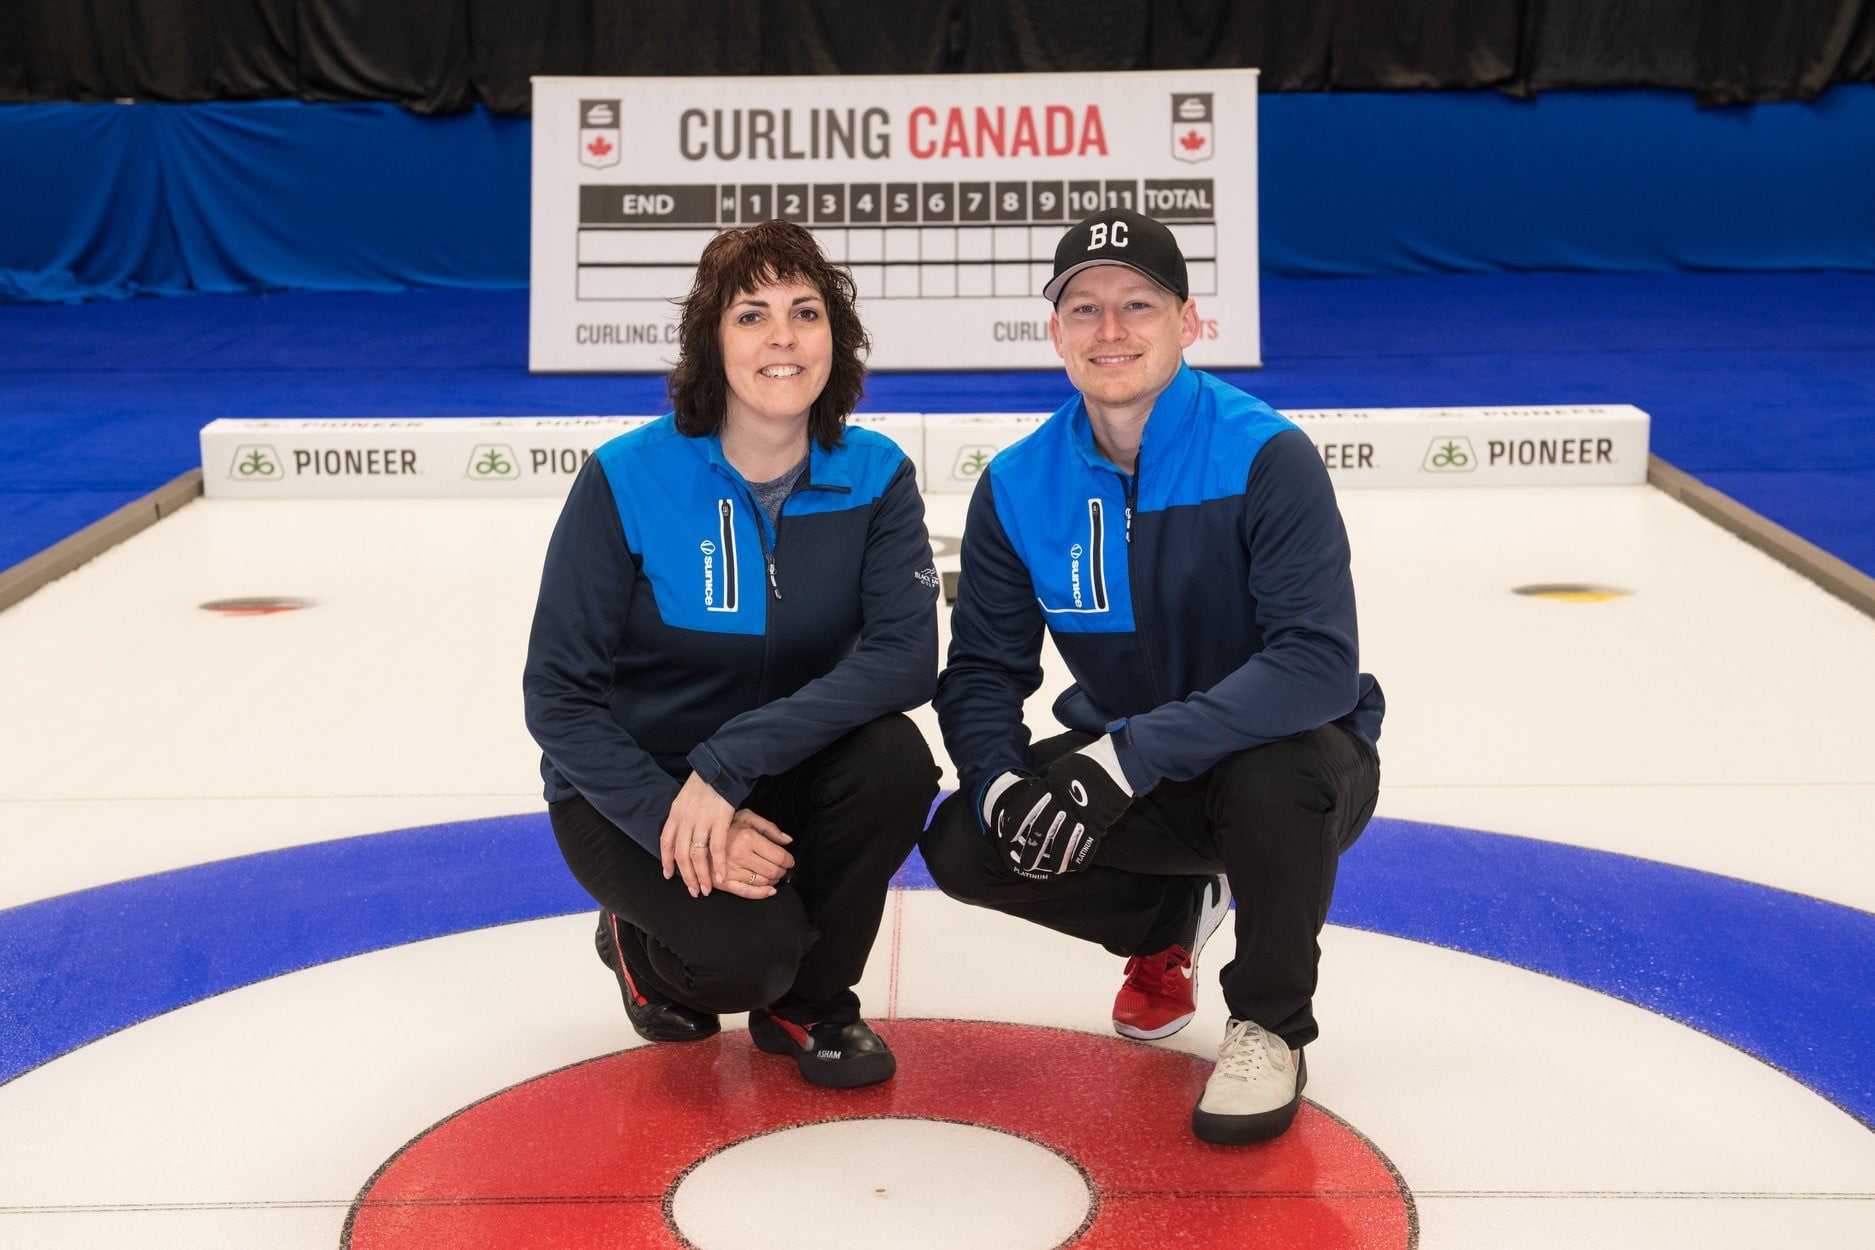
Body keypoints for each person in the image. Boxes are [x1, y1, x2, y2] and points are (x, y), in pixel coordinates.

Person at [923, 208, 1383, 1143]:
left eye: (1137, 304)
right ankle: (1167, 917)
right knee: (967, 843)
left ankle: (1269, 1025)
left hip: (1293, 760)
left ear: (1187, 322)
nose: (1110, 330)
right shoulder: (1019, 482)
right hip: (1142, 773)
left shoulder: (1264, 454)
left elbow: (1317, 663)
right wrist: (1003, 779)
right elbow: (979, 671)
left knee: (1272, 777)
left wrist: (1126, 757)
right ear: (1054, 331)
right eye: (1083, 308)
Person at [524, 219, 940, 1090]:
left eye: (806, 312)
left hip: (765, 765)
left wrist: (729, 765)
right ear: (712, 344)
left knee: (896, 759)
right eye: (751, 315)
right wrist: (676, 804)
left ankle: (812, 1004)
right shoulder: (626, 477)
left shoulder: (874, 475)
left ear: (837, 338)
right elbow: (558, 697)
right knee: (746, 961)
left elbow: (905, 659)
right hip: (637, 789)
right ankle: (639, 945)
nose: (782, 337)